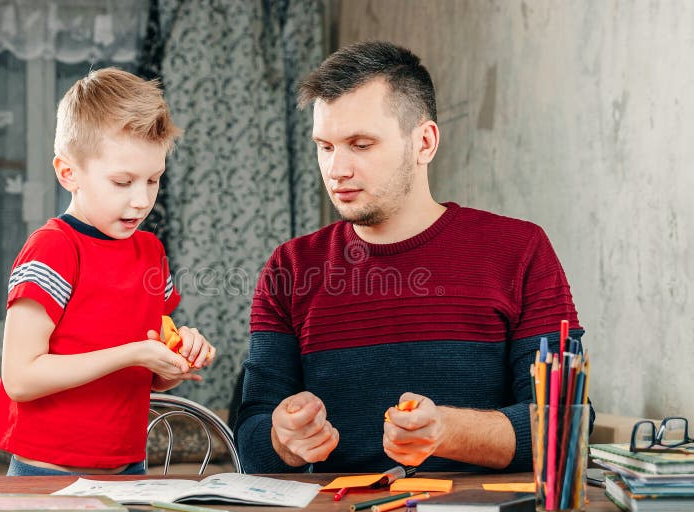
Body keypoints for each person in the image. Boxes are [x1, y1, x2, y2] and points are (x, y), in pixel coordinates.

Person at [234, 41, 589, 474]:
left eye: (360, 144)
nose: (336, 169)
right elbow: (250, 439)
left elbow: (567, 424)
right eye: (324, 146)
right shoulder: (289, 267)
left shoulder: (520, 250)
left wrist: (448, 430)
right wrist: (283, 439)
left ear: (423, 142)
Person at [0, 68, 217, 476]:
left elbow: (146, 376)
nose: (142, 199)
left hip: (128, 466)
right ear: (68, 173)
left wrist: (174, 361)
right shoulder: (53, 248)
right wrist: (134, 353)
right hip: (48, 472)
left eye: (153, 179)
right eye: (122, 182)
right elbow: (20, 378)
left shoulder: (150, 251)